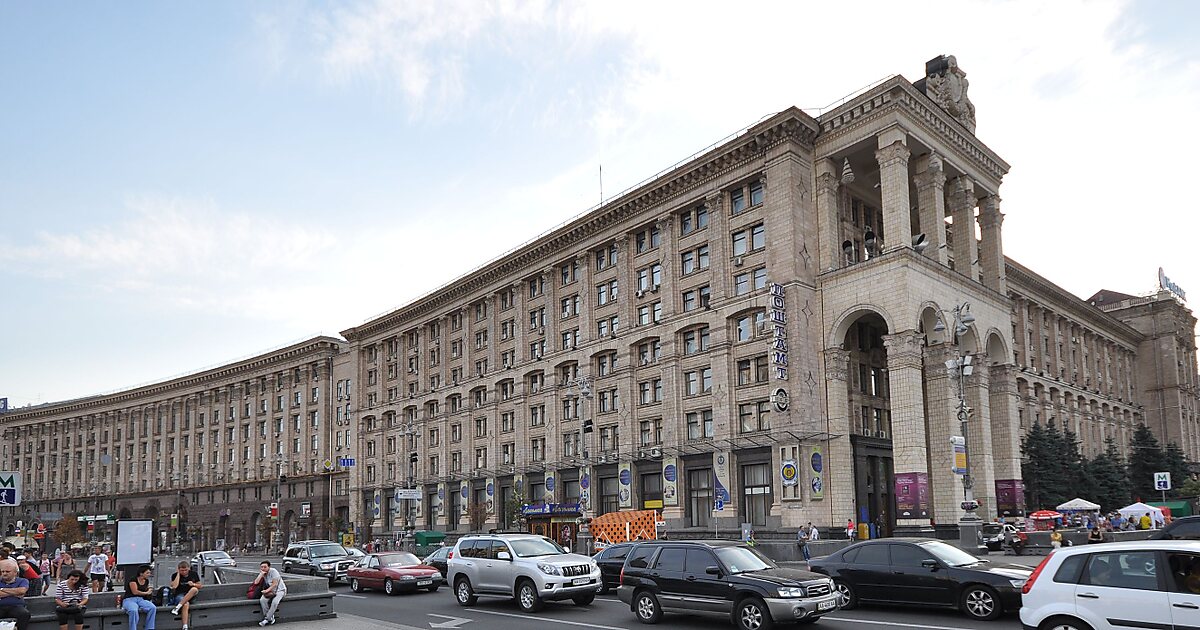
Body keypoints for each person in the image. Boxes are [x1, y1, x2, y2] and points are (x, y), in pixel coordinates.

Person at [168, 560, 201, 630]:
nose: (184, 572)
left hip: (191, 595)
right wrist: (178, 574)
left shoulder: (193, 574)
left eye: (186, 570)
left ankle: (178, 606)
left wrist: (193, 584)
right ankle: (185, 626)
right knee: (186, 604)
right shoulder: (175, 575)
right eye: (182, 570)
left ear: (189, 568)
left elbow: (200, 585)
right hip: (180, 595)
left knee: (194, 589)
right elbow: (174, 586)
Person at [0, 558, 31, 630]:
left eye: (7, 571)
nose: (4, 573)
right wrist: (15, 593)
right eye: (3, 571)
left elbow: (22, 591)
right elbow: (19, 592)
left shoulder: (23, 580)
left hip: (16, 607)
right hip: (0, 607)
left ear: (15, 573)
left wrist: (2, 589)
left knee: (24, 614)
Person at [122, 565, 156, 630]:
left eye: (149, 573)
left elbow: (145, 589)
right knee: (133, 610)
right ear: (141, 573)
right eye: (147, 573)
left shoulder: (146, 581)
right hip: (130, 599)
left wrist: (149, 589)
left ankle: (149, 627)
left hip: (140, 599)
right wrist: (146, 593)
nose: (149, 574)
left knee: (152, 607)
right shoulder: (133, 580)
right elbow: (135, 592)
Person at [253, 561, 286, 626]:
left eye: (265, 567)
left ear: (269, 567)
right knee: (262, 600)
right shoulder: (263, 573)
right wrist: (261, 574)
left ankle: (266, 619)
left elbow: (275, 584)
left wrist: (266, 591)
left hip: (279, 590)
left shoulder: (273, 571)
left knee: (275, 602)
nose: (263, 568)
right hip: (270, 592)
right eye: (261, 567)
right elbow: (256, 582)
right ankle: (270, 617)